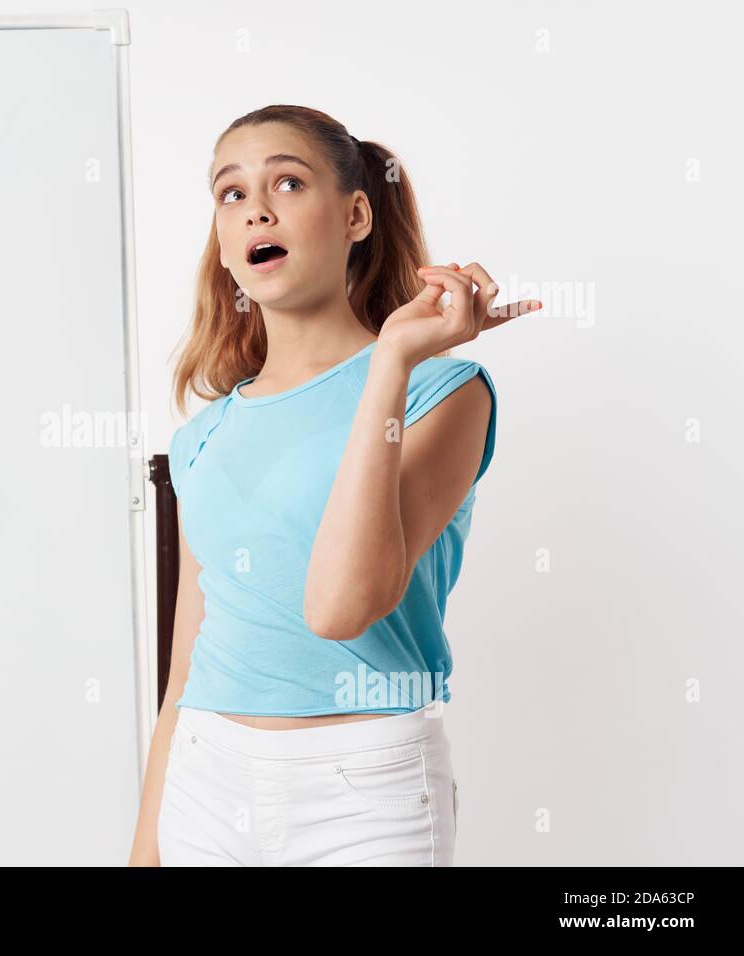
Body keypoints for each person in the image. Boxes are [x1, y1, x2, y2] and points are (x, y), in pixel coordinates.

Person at [128, 105, 541, 866]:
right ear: (224, 246)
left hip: (365, 791)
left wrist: (389, 363)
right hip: (205, 780)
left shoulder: (441, 394)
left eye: (287, 181)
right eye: (230, 193)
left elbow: (340, 606)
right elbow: (185, 666)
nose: (255, 207)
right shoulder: (203, 437)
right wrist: (143, 852)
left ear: (356, 215)